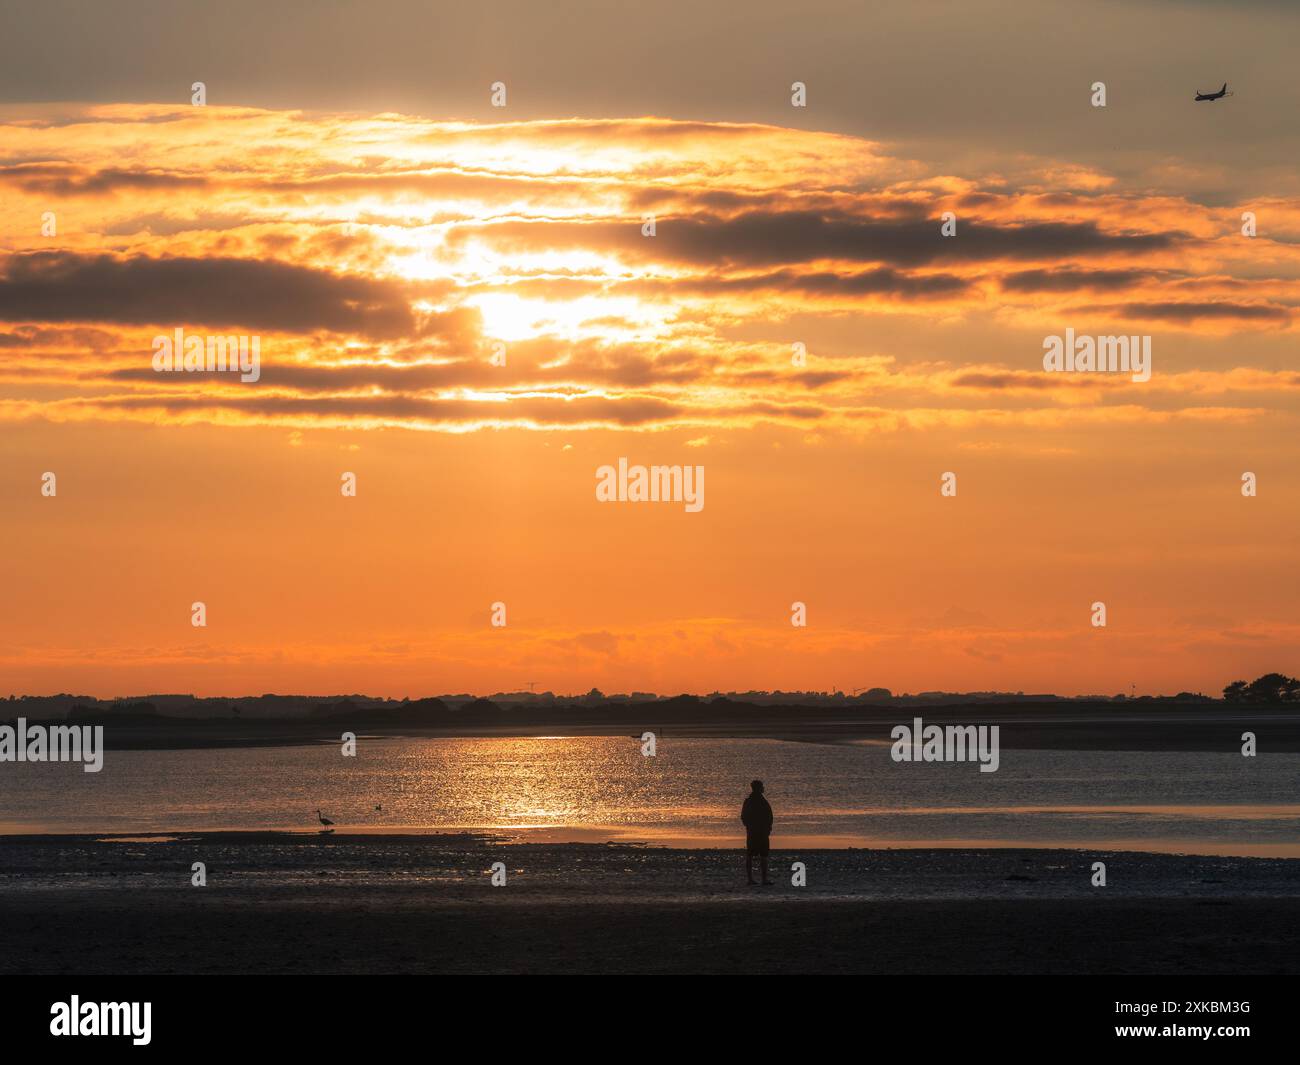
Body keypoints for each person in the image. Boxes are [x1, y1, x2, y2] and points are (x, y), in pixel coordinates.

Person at [741, 779, 774, 885]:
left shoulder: (749, 801)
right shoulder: (761, 801)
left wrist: (749, 826)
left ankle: (751, 879)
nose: (763, 788)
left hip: (753, 831)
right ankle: (762, 879)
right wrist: (767, 828)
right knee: (763, 855)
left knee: (751, 855)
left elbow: (743, 816)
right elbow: (769, 816)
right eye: (762, 786)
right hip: (760, 831)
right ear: (759, 788)